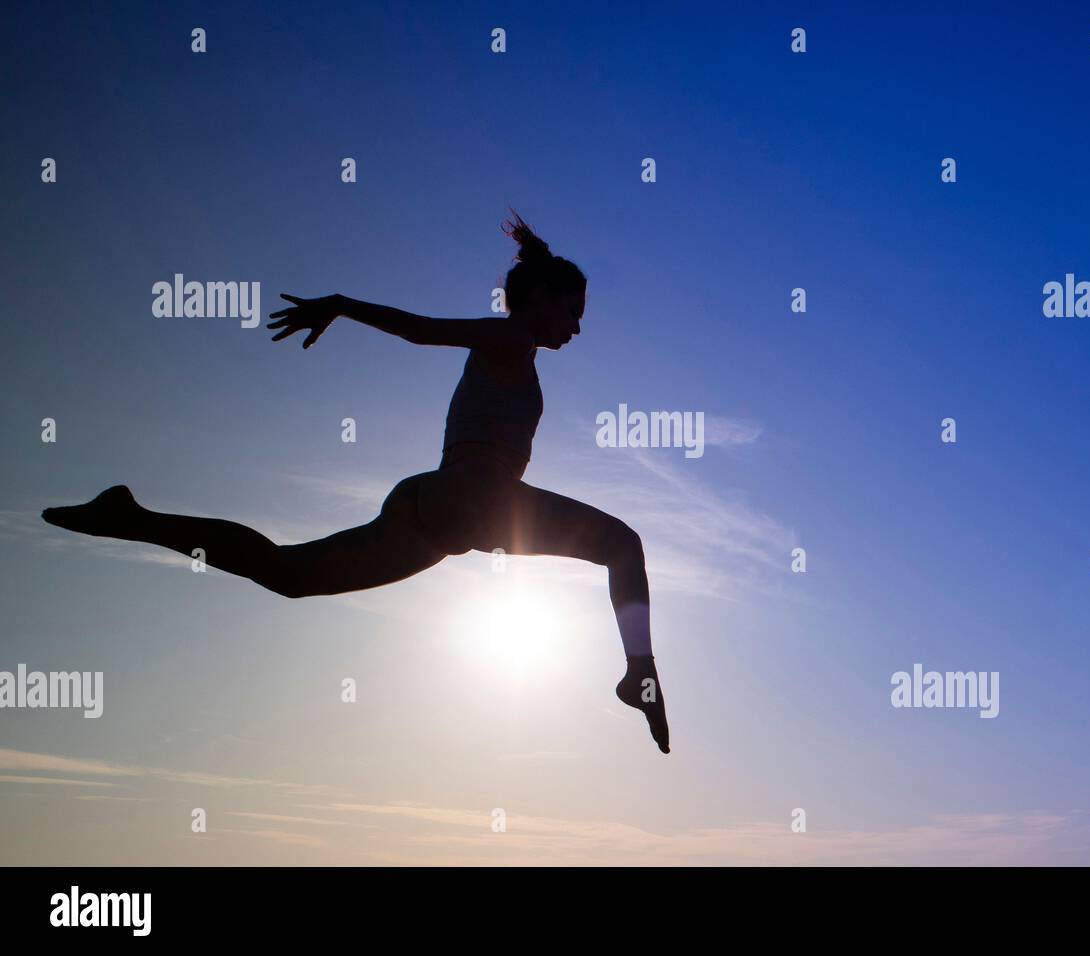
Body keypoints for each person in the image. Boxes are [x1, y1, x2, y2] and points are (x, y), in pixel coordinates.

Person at [42, 211, 670, 754]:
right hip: (473, 499)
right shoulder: (510, 335)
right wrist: (340, 305)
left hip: (435, 510)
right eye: (573, 309)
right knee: (621, 544)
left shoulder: (517, 352)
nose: (578, 327)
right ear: (539, 297)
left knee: (288, 575)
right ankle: (638, 673)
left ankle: (131, 517)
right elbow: (422, 329)